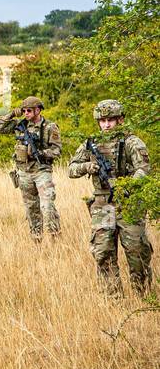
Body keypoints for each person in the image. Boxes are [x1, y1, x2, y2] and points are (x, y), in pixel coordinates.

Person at [67, 99, 153, 295]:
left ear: (120, 120)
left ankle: (144, 296)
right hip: (102, 204)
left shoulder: (132, 142)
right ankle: (112, 298)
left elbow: (144, 169)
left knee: (136, 251)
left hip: (129, 202)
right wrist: (87, 167)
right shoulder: (91, 143)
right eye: (102, 120)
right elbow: (70, 169)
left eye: (110, 120)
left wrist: (127, 185)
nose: (106, 125)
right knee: (103, 251)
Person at [0, 95, 62, 239]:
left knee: (47, 205)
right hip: (24, 171)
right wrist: (12, 113)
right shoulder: (20, 125)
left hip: (41, 170)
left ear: (38, 110)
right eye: (24, 110)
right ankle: (36, 239)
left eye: (29, 110)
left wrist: (40, 153)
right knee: (31, 208)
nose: (26, 113)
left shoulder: (50, 127)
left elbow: (57, 151)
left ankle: (55, 237)